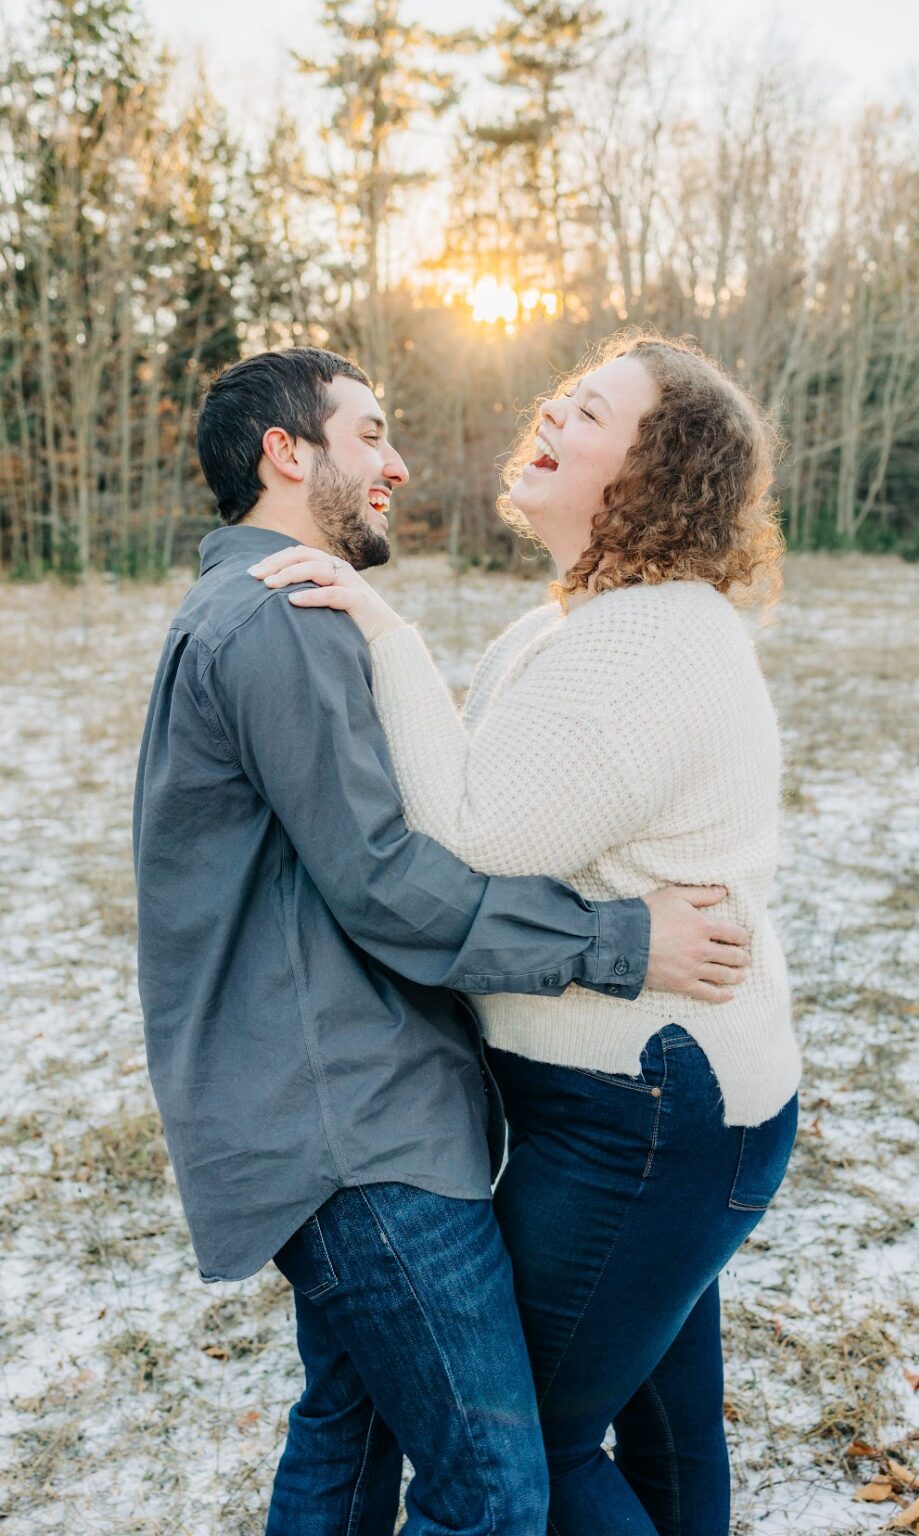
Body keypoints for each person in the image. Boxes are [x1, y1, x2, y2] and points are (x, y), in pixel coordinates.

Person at [132, 346, 753, 1536]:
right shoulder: (279, 619)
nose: (398, 465)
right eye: (369, 434)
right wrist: (621, 938)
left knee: (349, 1427)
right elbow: (388, 884)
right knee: (495, 1493)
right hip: (354, 1130)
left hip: (328, 1095)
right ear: (286, 451)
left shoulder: (259, 603)